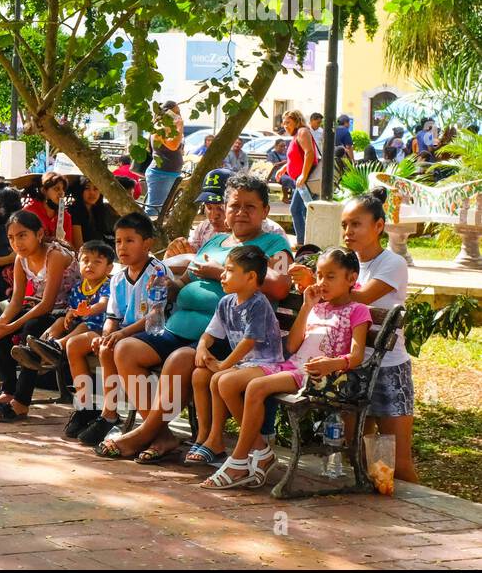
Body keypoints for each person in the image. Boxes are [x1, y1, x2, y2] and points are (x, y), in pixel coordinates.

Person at [99, 174, 292, 462]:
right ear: (225, 209)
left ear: (265, 211)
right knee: (124, 349)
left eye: (250, 207)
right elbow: (187, 280)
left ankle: (145, 432)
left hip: (225, 337)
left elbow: (280, 285)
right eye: (234, 205)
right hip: (177, 326)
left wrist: (219, 273)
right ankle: (162, 436)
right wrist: (170, 284)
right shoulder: (214, 242)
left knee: (179, 359)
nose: (241, 212)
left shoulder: (272, 244)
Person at [202, 247, 369, 489]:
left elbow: (357, 355)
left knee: (256, 387)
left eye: (330, 276)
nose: (322, 282)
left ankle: (239, 459)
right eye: (319, 275)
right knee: (225, 383)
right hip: (292, 366)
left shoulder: (357, 311)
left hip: (318, 376)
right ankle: (260, 449)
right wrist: (307, 307)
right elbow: (292, 344)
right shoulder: (316, 308)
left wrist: (332, 363)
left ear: (351, 279)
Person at [292, 190, 418, 482]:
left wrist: (318, 282)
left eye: (357, 224)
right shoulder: (341, 264)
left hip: (387, 370)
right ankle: (380, 514)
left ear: (379, 226)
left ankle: (418, 517)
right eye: (345, 224)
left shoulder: (392, 263)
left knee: (396, 462)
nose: (348, 232)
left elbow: (359, 297)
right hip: (352, 369)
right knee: (362, 453)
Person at [62, 213, 168, 446]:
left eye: (130, 240)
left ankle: (110, 415)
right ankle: (87, 407)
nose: (122, 247)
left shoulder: (157, 272)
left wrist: (118, 335)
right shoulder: (119, 278)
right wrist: (107, 334)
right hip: (124, 333)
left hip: (151, 333)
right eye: (118, 241)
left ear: (147, 243)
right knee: (80, 344)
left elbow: (155, 314)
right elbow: (113, 316)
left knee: (111, 347)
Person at [184, 245, 284, 469]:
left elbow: (249, 341)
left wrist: (223, 365)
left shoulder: (258, 304)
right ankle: (208, 438)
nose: (222, 275)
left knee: (223, 380)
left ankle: (256, 445)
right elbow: (209, 334)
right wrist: (202, 348)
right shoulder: (226, 303)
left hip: (266, 364)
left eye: (229, 270)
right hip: (242, 364)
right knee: (201, 374)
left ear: (250, 277)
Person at [0, 210, 79, 423]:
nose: (17, 243)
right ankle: (8, 390)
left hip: (67, 314)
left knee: (30, 330)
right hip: (40, 309)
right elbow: (16, 301)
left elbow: (48, 304)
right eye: (12, 238)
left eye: (22, 235)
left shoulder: (55, 256)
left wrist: (11, 326)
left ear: (39, 234)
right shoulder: (20, 261)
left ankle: (22, 402)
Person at [13, 239, 113, 372]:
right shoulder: (78, 286)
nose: (90, 265)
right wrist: (69, 315)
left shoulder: (108, 285)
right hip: (78, 323)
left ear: (109, 268)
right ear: (79, 262)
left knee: (84, 326)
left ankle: (57, 346)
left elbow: (103, 304)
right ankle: (38, 347)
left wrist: (88, 310)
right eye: (85, 260)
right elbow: (71, 308)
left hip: (98, 326)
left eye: (97, 262)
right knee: (60, 321)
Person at [165, 168, 286, 256]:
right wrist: (176, 252)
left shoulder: (273, 233)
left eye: (220, 208)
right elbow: (190, 259)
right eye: (208, 207)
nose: (214, 216)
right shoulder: (204, 228)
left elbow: (280, 281)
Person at [283, 108, 321, 243]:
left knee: (296, 209)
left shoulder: (302, 132)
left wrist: (303, 175)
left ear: (297, 121)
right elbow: (295, 158)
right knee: (305, 211)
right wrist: (284, 168)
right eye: (284, 123)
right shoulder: (297, 135)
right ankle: (308, 241)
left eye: (288, 122)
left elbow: (309, 153)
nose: (285, 126)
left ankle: (302, 242)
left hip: (307, 180)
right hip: (302, 181)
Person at [144, 101, 184, 217]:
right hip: (160, 174)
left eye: (179, 112)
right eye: (176, 112)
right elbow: (173, 145)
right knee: (154, 211)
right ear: (167, 113)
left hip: (169, 174)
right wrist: (180, 125)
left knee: (162, 211)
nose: (179, 115)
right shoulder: (159, 128)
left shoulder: (169, 128)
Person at [67, 176, 119, 249]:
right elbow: (79, 245)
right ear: (80, 190)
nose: (92, 193)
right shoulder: (74, 211)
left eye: (96, 188)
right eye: (87, 188)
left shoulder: (99, 209)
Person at [23, 172, 74, 244]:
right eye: (56, 189)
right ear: (44, 191)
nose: (61, 193)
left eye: (63, 190)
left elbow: (67, 244)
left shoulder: (65, 216)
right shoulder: (29, 213)